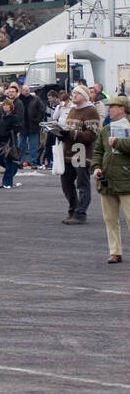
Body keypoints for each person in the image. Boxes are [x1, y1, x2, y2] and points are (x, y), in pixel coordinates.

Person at [91, 94, 130, 263]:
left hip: (126, 178)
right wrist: (96, 167)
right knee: (110, 219)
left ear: (122, 109)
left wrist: (118, 143)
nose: (109, 109)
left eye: (112, 107)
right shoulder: (106, 129)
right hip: (107, 179)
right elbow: (98, 151)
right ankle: (115, 251)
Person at [56, 85, 100, 225]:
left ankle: (80, 213)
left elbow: (92, 135)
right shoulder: (72, 110)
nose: (73, 95)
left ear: (85, 96)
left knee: (82, 184)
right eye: (73, 93)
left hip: (81, 151)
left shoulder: (91, 111)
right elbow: (69, 129)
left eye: (77, 94)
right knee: (66, 183)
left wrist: (72, 134)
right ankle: (73, 209)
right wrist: (62, 134)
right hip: (68, 151)